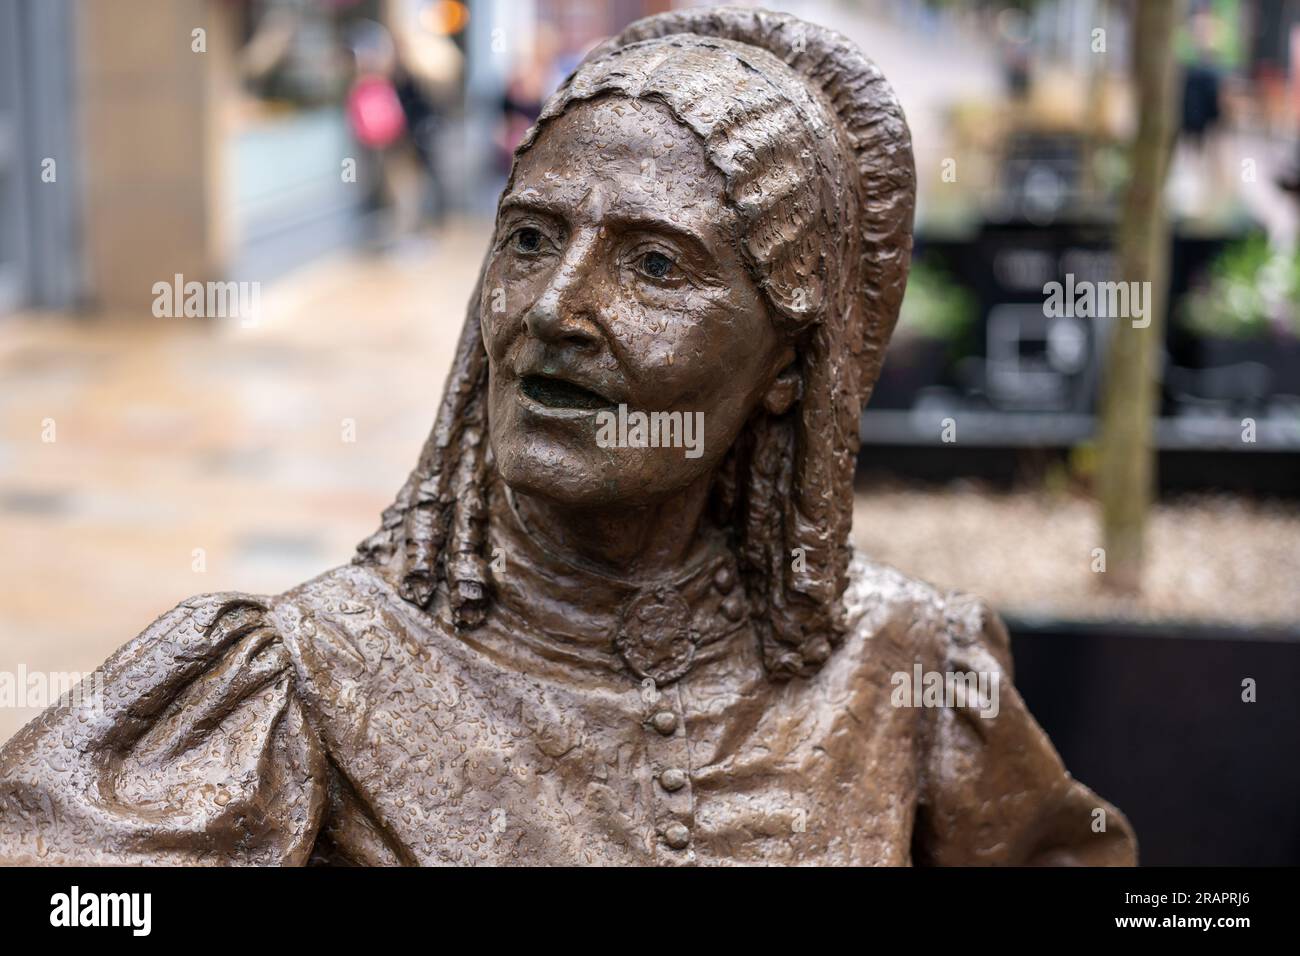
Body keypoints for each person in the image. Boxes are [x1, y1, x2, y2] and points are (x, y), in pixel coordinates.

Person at [0, 8, 1135, 866]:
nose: (552, 309)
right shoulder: (302, 688)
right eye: (532, 238)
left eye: (654, 264)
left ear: (789, 366)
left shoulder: (906, 669)